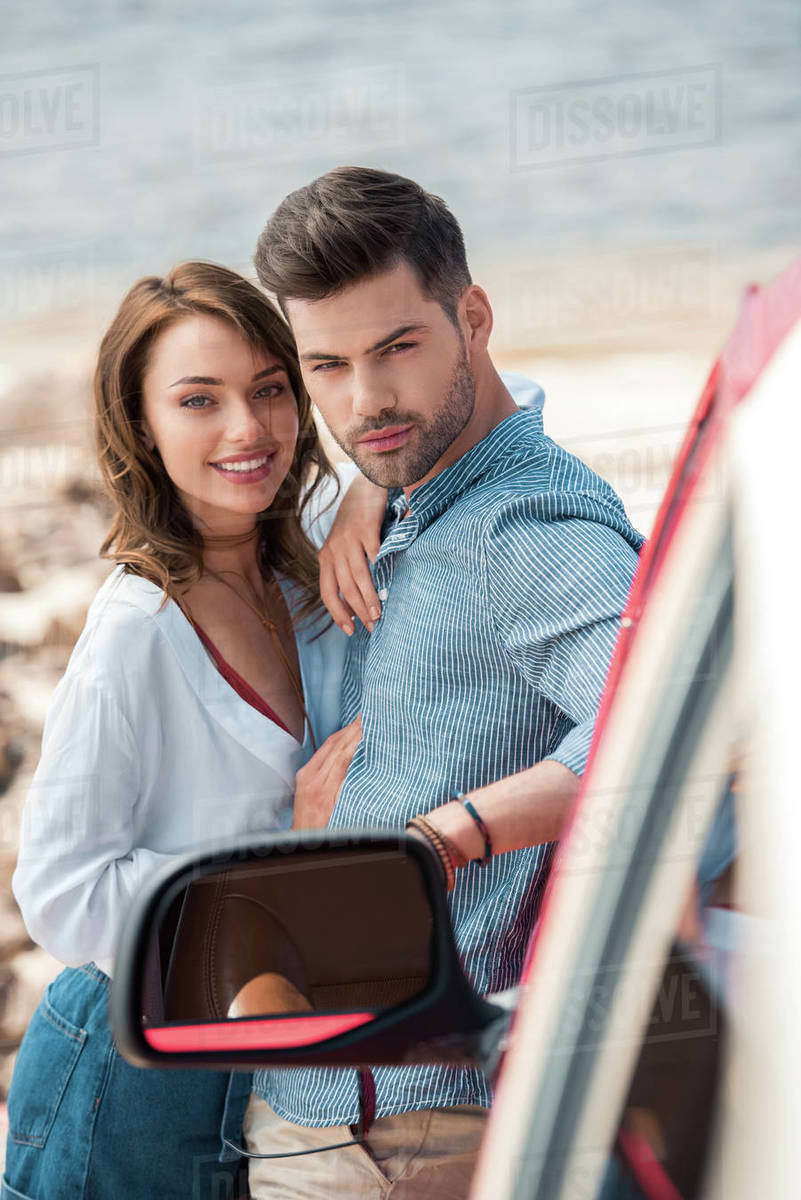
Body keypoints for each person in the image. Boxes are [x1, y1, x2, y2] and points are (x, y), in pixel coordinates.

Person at [240, 167, 646, 1197]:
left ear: (474, 318)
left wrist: (444, 837)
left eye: (397, 348)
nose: (364, 402)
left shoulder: (527, 531)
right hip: (331, 1092)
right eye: (327, 365)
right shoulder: (423, 491)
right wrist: (367, 493)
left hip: (408, 1128)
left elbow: (650, 732)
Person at [2, 261, 364, 1200]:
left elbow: (493, 398)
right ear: (141, 424)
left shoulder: (305, 575)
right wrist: (284, 863)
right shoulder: (137, 630)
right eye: (198, 400)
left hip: (261, 1058)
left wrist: (367, 491)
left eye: (270, 389)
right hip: (127, 1065)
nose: (248, 429)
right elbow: (60, 894)